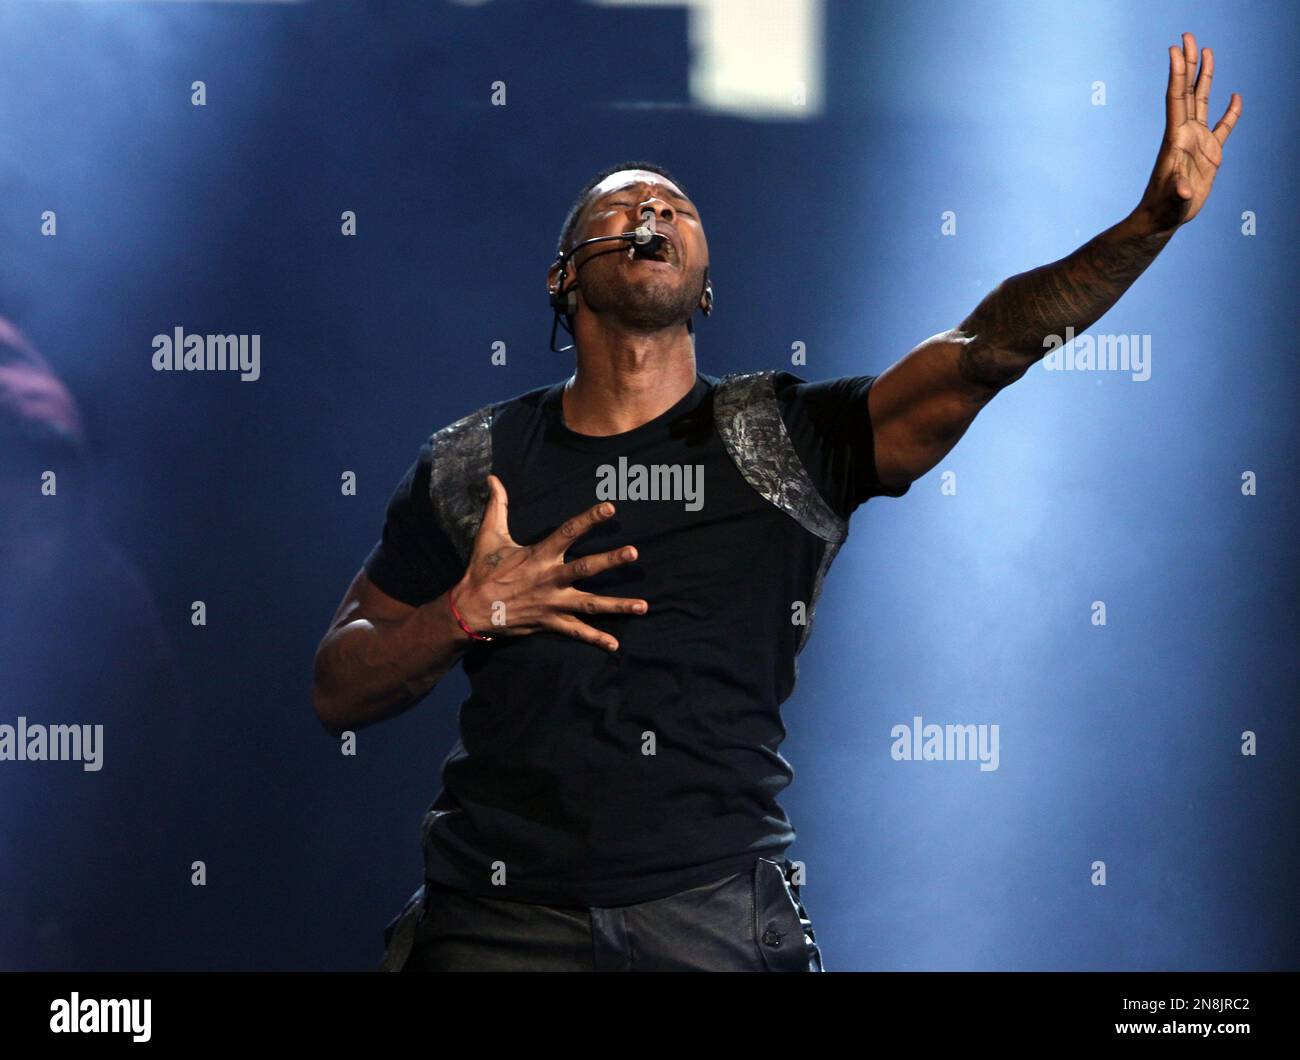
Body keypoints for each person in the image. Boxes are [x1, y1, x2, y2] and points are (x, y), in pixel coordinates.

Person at [312, 33, 1239, 971]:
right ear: (563, 276)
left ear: (705, 286)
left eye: (676, 206)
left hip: (709, 911)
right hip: (496, 919)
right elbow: (337, 686)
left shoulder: (784, 437)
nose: (652, 209)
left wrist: (1149, 223)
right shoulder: (474, 463)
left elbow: (986, 349)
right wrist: (465, 614)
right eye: (623, 202)